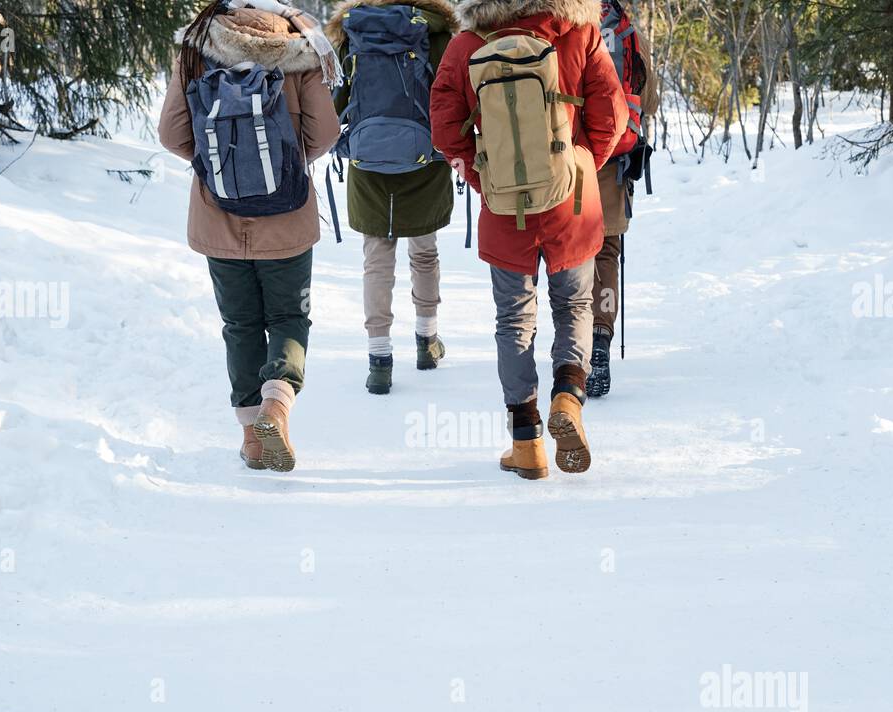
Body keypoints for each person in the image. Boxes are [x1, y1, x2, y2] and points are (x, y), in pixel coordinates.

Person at [430, 0, 626, 478]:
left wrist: (487, 179)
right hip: (571, 205)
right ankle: (568, 399)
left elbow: (443, 129)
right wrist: (578, 169)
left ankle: (527, 444)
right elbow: (612, 117)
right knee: (575, 305)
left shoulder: (465, 44)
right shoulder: (578, 32)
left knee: (514, 317)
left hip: (504, 207)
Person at [158, 0, 340, 471]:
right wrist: (290, 164)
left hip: (217, 215)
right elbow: (325, 132)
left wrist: (215, 170)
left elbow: (172, 133)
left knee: (239, 325)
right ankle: (276, 406)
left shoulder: (197, 47)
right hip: (288, 216)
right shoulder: (296, 48)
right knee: (287, 317)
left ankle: (252, 439)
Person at [327, 0, 459, 395]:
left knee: (376, 259)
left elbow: (336, 103)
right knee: (424, 252)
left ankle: (379, 359)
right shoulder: (439, 35)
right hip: (426, 159)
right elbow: (451, 100)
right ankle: (426, 341)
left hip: (368, 164)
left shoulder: (352, 33)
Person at [587, 0, 659, 397]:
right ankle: (601, 340)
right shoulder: (628, 29)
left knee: (570, 253)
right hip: (615, 156)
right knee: (607, 251)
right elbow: (648, 98)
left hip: (573, 154)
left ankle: (573, 346)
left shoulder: (564, 21)